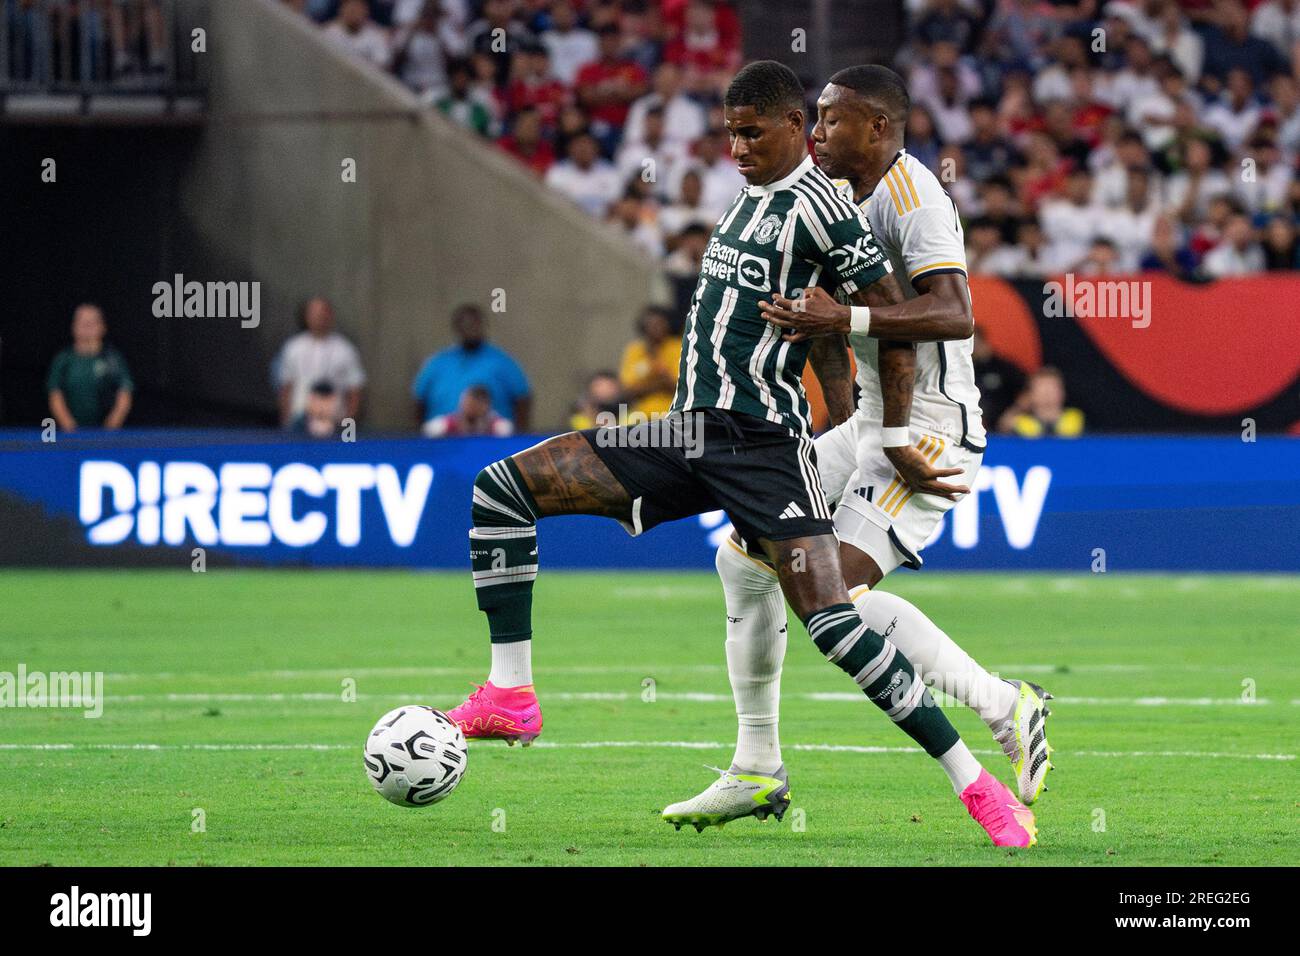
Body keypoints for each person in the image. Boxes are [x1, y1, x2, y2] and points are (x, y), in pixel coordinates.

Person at [445, 60, 1035, 848]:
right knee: (502, 490)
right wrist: (849, 410)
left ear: (796, 128)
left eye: (756, 131)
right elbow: (831, 335)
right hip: (693, 432)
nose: (738, 147)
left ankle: (980, 769)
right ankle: (519, 696)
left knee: (832, 618)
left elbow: (900, 323)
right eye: (730, 132)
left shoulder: (862, 204)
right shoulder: (759, 194)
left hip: (786, 444)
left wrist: (883, 434)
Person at [704, 64, 1052, 830]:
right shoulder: (831, 199)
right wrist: (829, 417)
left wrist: (845, 327)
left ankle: (1004, 705)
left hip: (929, 428)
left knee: (838, 598)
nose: (817, 131)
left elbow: (956, 313)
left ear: (880, 129)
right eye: (815, 119)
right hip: (868, 424)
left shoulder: (914, 197)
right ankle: (756, 766)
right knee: (744, 558)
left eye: (832, 120)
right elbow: (829, 328)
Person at [411, 304, 531, 429]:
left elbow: (522, 398)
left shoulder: (501, 361)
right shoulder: (437, 362)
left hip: (491, 439)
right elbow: (419, 400)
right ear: (456, 327)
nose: (470, 328)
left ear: (483, 325)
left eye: (475, 323)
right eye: (465, 324)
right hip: (442, 441)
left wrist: (519, 437)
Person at [274, 297, 366, 428]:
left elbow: (355, 390)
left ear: (331, 315)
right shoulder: (293, 347)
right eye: (314, 313)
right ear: (306, 316)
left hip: (334, 421)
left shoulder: (345, 349)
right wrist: (286, 421)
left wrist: (348, 423)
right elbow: (285, 387)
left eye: (323, 313)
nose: (319, 317)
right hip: (299, 420)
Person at [46, 304, 133, 432]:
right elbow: (55, 395)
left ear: (103, 327)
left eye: (92, 322)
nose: (87, 327)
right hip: (70, 434)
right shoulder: (63, 360)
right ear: (73, 327)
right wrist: (70, 428)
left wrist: (110, 429)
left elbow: (125, 393)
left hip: (106, 435)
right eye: (82, 322)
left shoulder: (113, 359)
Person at [618, 305, 680, 419]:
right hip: (641, 416)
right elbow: (627, 390)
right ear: (643, 327)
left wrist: (648, 383)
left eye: (660, 324)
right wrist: (659, 382)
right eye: (651, 325)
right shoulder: (635, 351)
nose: (656, 328)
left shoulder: (677, 347)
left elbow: (680, 387)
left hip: (672, 413)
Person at [1002, 366, 1084, 438]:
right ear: (1031, 393)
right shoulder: (1018, 423)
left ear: (1062, 392)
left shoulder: (1078, 420)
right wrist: (1018, 406)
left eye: (1052, 388)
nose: (1046, 394)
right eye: (1041, 389)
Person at [971, 327, 1026, 431]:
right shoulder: (967, 369)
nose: (974, 348)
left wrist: (1013, 413)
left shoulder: (1004, 367)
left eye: (976, 343)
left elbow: (1027, 391)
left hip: (1004, 428)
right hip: (975, 426)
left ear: (984, 342)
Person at [423, 384, 514, 437]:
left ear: (486, 405)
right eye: (467, 403)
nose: (469, 407)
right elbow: (429, 430)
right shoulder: (446, 424)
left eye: (474, 404)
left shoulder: (499, 427)